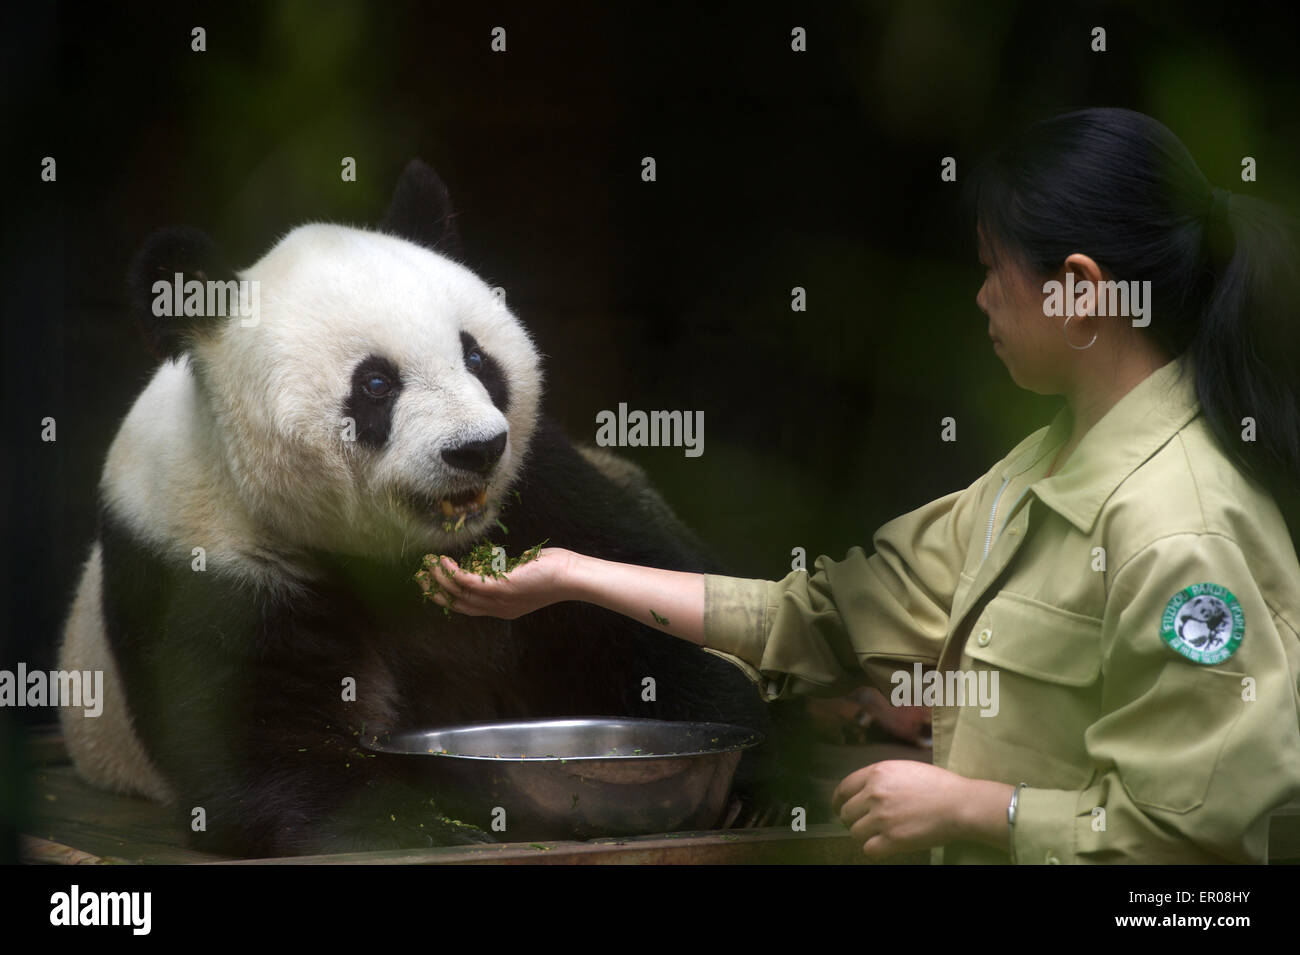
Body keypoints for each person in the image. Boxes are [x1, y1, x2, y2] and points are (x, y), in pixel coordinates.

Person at [419, 108, 1300, 864]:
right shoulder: (1041, 468)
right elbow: (822, 615)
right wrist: (572, 575)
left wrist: (975, 807)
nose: (984, 297)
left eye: (996, 268)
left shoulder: (1181, 529)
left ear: (1078, 292)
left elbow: (1195, 855)